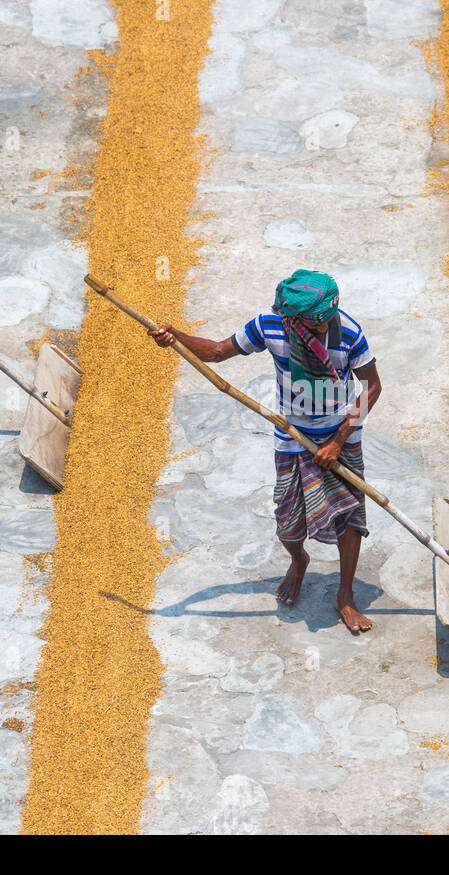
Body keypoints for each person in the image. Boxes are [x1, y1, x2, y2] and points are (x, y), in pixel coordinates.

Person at [149, 270, 383, 633]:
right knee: (288, 523)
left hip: (341, 435)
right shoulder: (269, 325)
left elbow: (371, 389)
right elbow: (216, 351)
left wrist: (337, 441)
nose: (323, 328)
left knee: (349, 518)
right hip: (292, 437)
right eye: (315, 323)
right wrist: (175, 337)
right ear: (293, 317)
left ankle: (346, 595)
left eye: (327, 320)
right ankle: (298, 560)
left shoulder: (349, 332)